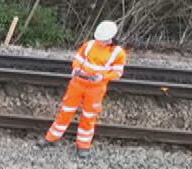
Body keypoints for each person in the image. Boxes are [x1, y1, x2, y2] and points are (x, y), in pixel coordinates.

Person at [39, 21, 127, 157]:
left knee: (89, 116)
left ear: (111, 38)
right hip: (77, 83)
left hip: (96, 88)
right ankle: (51, 138)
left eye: (102, 40)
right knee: (66, 111)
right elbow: (78, 59)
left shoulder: (118, 53)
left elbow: (117, 73)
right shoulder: (89, 44)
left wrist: (103, 77)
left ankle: (83, 145)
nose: (100, 42)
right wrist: (76, 69)